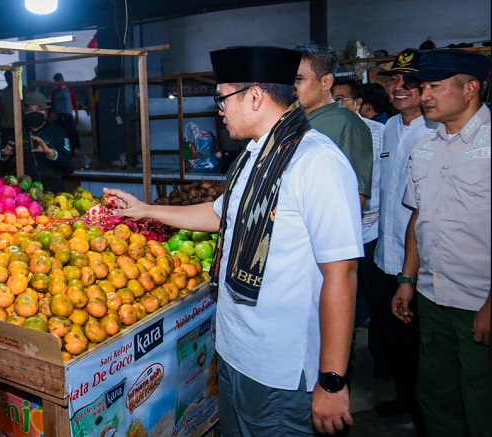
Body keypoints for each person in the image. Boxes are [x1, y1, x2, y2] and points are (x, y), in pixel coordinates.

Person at [106, 45, 363, 436]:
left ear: (255, 97)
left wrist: (332, 380)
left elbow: (341, 273)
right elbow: (221, 212)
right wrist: (147, 211)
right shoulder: (253, 157)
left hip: (280, 367)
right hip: (234, 352)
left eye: (222, 98)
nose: (219, 109)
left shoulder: (316, 162)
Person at [392, 49, 491, 437]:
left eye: (434, 86)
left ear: (470, 89)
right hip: (434, 297)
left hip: (478, 302)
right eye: (424, 87)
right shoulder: (426, 147)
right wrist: (407, 279)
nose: (425, 95)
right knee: (435, 394)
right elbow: (420, 217)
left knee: (482, 401)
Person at [370, 49, 437, 425]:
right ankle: (404, 398)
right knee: (394, 337)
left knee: (421, 343)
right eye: (394, 80)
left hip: (420, 262)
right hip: (385, 254)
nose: (399, 87)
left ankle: (424, 407)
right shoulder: (390, 128)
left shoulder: (436, 130)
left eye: (409, 81)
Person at [293, 41, 374, 210]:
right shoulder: (294, 121)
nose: (291, 87)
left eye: (299, 79)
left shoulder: (348, 125)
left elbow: (355, 199)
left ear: (326, 82)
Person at [332, 77, 385, 331]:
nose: (336, 105)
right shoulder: (323, 135)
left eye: (341, 99)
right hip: (336, 232)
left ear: (358, 103)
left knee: (373, 295)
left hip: (371, 228)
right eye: (332, 100)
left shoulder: (378, 133)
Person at [0, 91, 72, 192]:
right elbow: (4, 165)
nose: (34, 113)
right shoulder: (18, 134)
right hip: (25, 193)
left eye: (39, 109)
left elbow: (67, 165)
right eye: (30, 110)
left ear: (46, 112)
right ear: (25, 113)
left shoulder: (58, 133)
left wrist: (50, 153)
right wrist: (4, 154)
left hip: (52, 192)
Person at [50, 72, 81, 156]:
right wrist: (53, 115)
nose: (58, 82)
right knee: (60, 135)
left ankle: (75, 149)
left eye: (59, 80)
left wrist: (77, 115)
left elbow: (75, 103)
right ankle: (61, 151)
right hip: (59, 116)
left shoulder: (69, 90)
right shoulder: (54, 92)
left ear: (62, 80)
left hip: (68, 115)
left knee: (72, 133)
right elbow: (53, 104)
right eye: (56, 81)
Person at [0, 71, 16, 146]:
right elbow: (3, 107)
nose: (8, 80)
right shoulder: (4, 91)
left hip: (17, 122)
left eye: (9, 78)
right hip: (6, 122)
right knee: (4, 143)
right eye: (6, 78)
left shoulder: (20, 90)